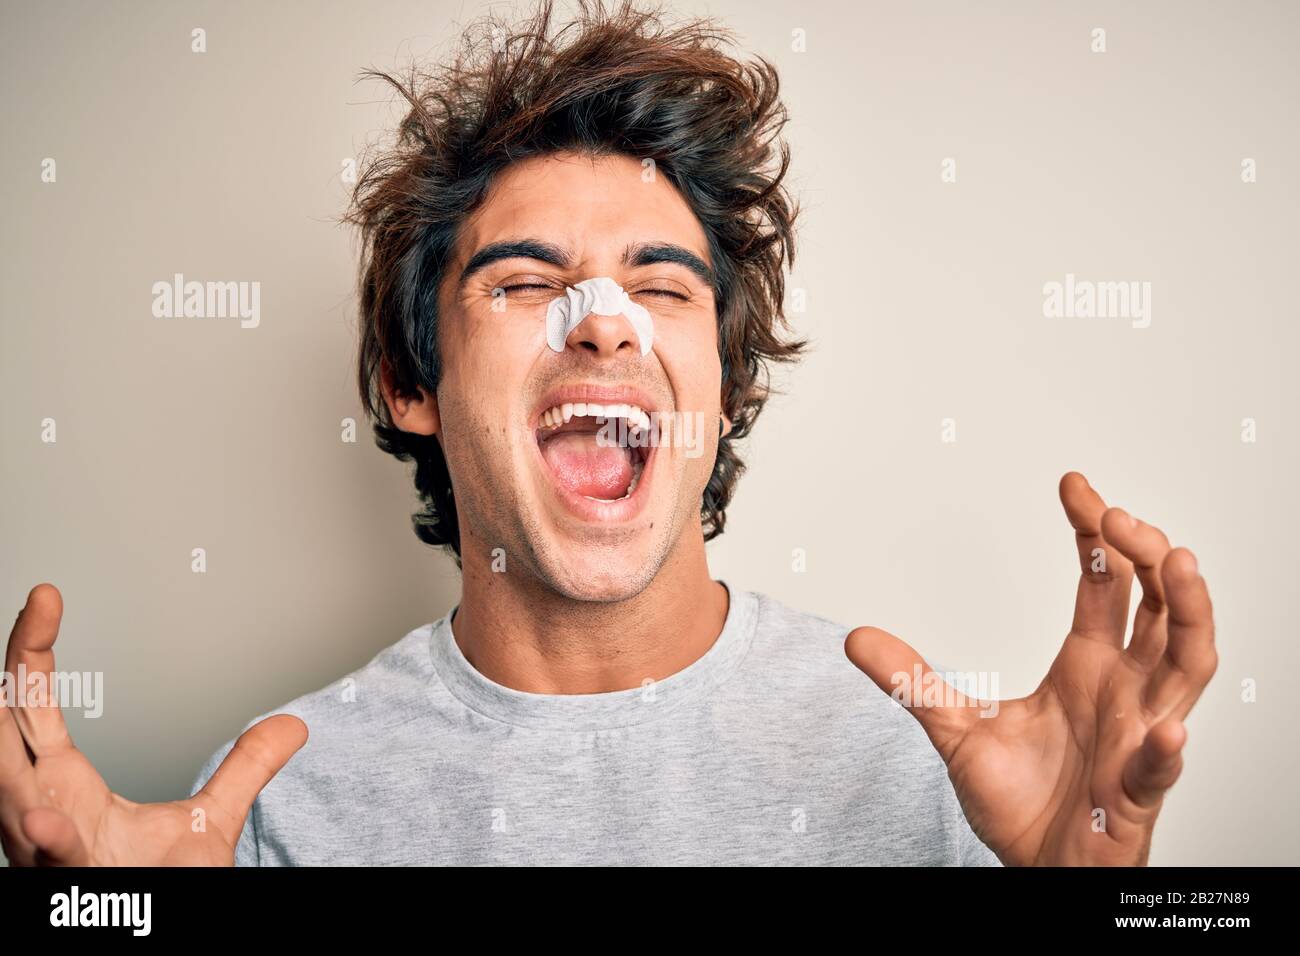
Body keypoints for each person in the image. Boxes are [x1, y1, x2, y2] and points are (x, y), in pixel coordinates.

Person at [1, 0, 1215, 867]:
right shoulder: (269, 800)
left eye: (664, 284)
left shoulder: (935, 771)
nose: (605, 329)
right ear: (409, 382)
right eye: (526, 281)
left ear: (727, 384)